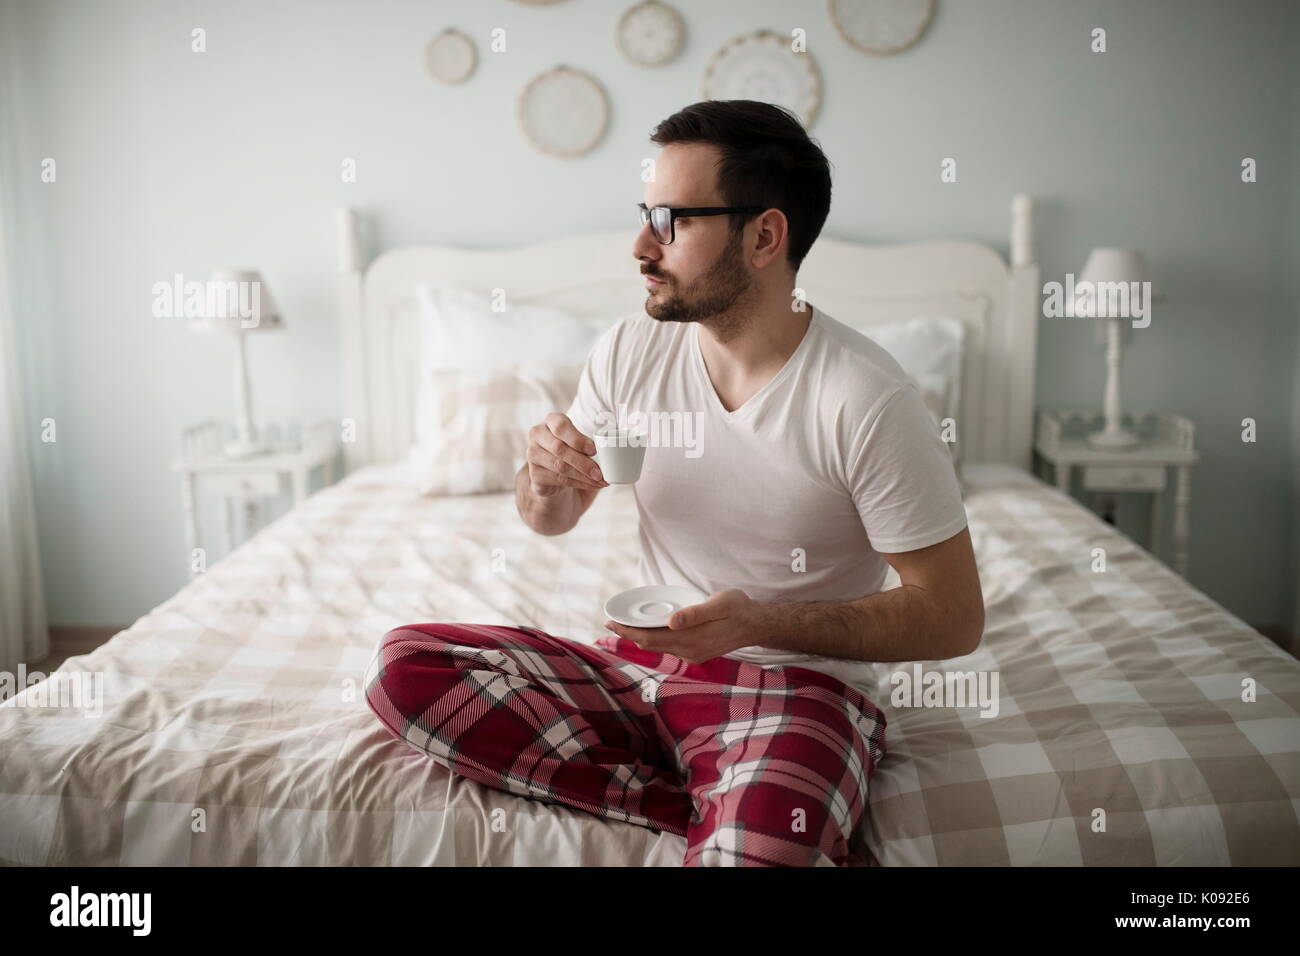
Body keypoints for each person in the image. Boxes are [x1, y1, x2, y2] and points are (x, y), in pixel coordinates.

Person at [366, 100, 984, 867]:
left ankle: (726, 800)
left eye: (670, 221)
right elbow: (550, 518)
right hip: (641, 671)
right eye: (643, 215)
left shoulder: (866, 398)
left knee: (761, 852)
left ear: (764, 236)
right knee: (407, 667)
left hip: (799, 692)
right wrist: (542, 477)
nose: (639, 246)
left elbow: (953, 616)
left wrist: (758, 621)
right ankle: (687, 801)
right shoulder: (631, 350)